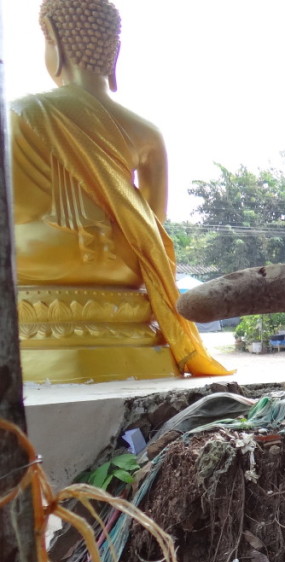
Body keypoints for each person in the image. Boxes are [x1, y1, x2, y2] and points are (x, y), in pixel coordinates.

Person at [12, 0, 228, 382]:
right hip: (120, 264)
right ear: (114, 51)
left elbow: (17, 211)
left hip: (41, 257)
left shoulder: (20, 114)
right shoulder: (146, 132)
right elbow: (152, 221)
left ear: (53, 38)